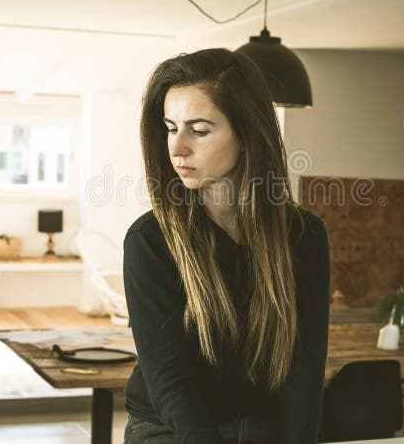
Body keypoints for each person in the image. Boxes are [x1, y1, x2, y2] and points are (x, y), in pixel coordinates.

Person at [123, 48, 330, 444]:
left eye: (199, 130)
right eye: (170, 127)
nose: (177, 148)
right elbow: (169, 381)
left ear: (247, 133)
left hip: (261, 426)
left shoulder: (305, 237)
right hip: (171, 429)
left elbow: (304, 371)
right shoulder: (150, 240)